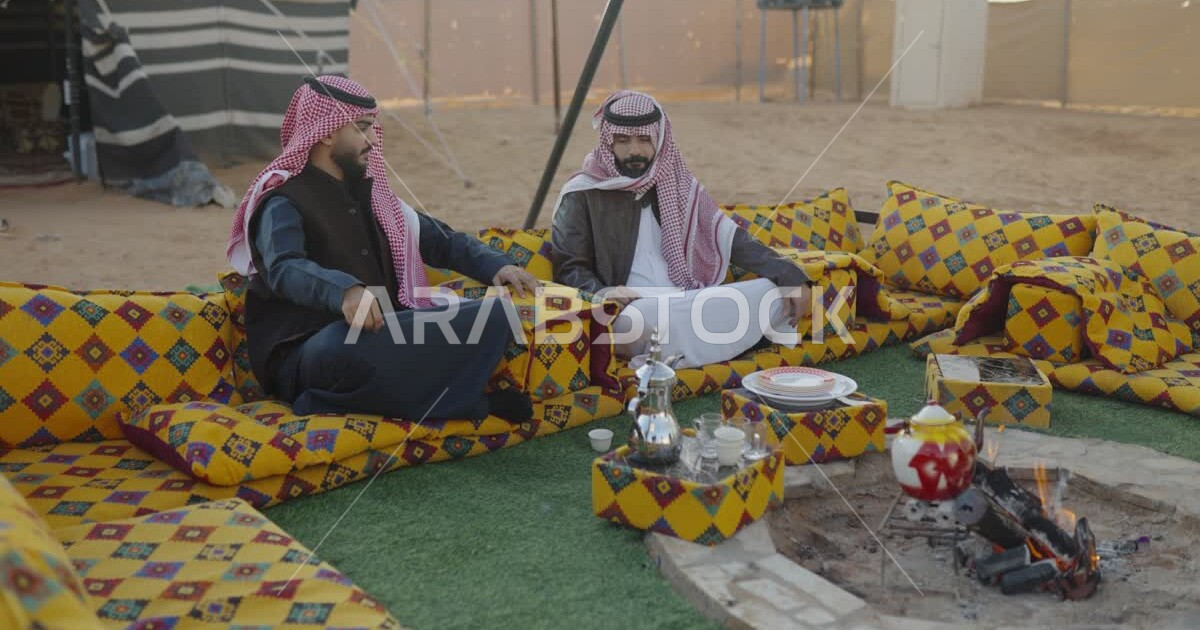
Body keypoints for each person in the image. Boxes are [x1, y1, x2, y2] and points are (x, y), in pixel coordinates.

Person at [226, 75, 540, 421]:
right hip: (312, 347)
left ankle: (357, 402)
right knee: (345, 347)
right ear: (328, 132)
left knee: (493, 317)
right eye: (361, 128)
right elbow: (284, 266)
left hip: (386, 334)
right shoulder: (282, 201)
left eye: (373, 128)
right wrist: (344, 292)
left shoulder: (377, 199)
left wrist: (496, 265)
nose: (373, 140)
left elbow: (442, 240)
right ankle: (470, 406)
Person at [550, 90, 812, 368]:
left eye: (644, 140)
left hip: (687, 296)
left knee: (769, 292)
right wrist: (603, 293)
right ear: (608, 141)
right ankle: (714, 344)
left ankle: (683, 349)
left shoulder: (676, 182)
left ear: (659, 139)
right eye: (623, 140)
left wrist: (789, 274)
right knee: (655, 317)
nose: (634, 150)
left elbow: (729, 237)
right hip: (630, 307)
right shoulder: (580, 194)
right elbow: (569, 267)